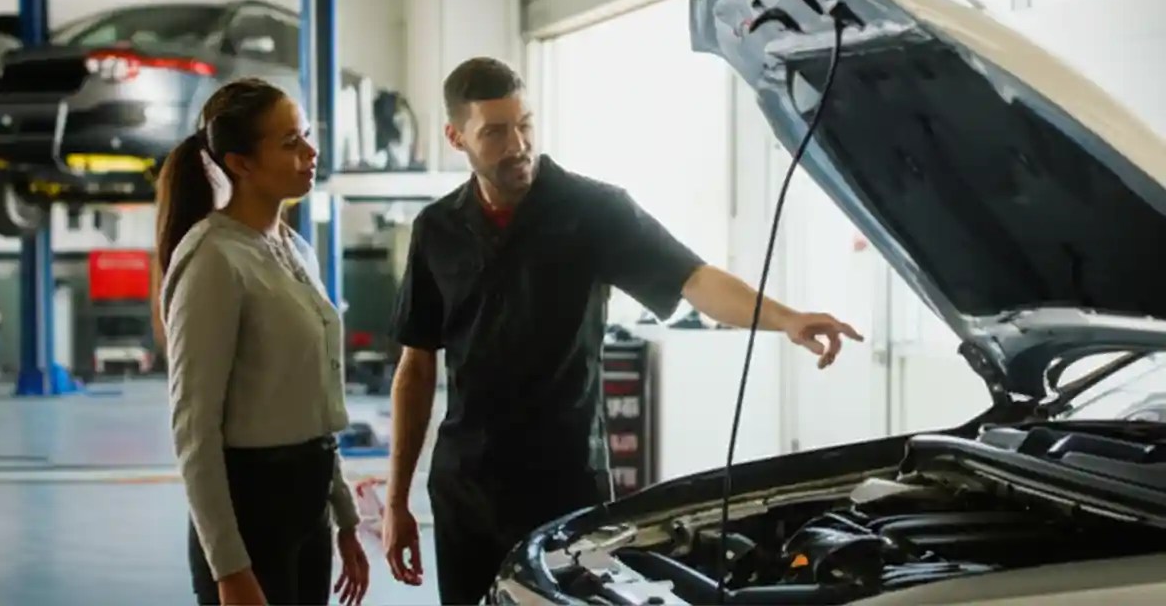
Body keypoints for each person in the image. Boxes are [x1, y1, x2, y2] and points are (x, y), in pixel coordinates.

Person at [381, 57, 864, 604]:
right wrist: (397, 500)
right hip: (464, 486)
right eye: (494, 131)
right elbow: (415, 367)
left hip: (563, 483)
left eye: (526, 124)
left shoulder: (592, 210)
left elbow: (693, 277)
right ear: (455, 136)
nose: (518, 145)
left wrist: (785, 318)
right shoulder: (437, 229)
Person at [157, 77, 370, 606]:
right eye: (290, 142)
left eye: (306, 136)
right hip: (251, 512)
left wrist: (344, 517)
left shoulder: (295, 250)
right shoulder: (213, 259)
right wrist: (229, 568)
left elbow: (312, 403)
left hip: (308, 505)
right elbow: (194, 429)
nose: (311, 153)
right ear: (241, 163)